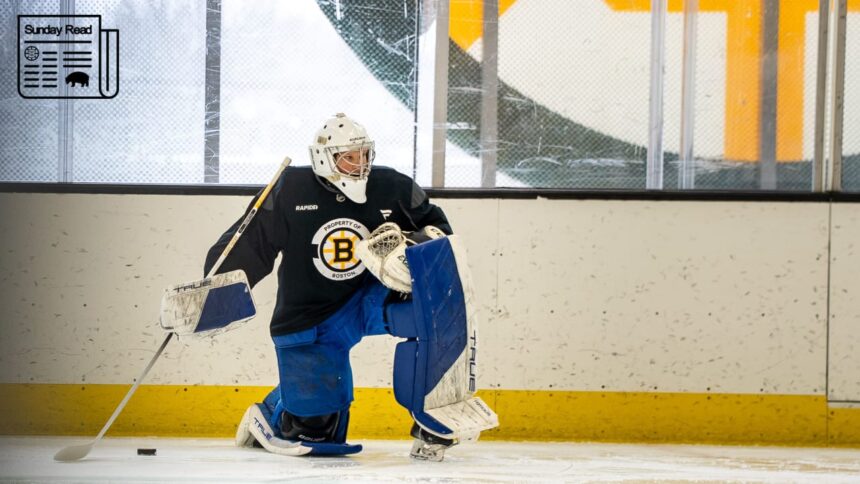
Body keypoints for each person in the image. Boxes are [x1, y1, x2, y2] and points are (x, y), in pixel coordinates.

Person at [203, 113, 471, 459]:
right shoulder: (290, 188)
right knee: (318, 435)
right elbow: (251, 244)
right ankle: (271, 413)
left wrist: (412, 242)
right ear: (324, 158)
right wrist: (216, 287)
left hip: (372, 298)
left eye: (364, 155)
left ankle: (434, 413)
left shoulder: (393, 186)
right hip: (311, 316)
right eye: (349, 157)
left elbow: (437, 230)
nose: (360, 165)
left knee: (429, 311)